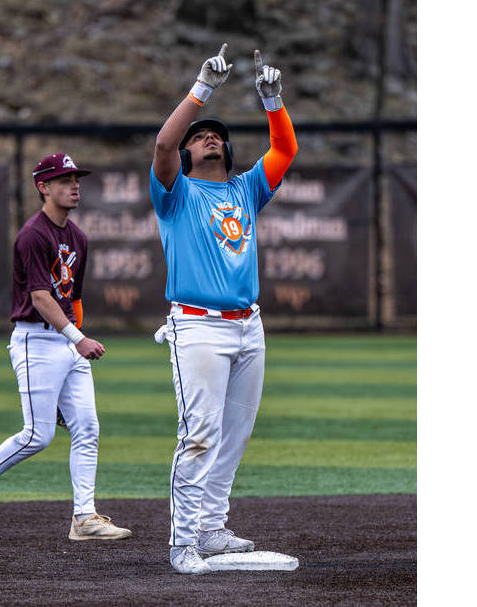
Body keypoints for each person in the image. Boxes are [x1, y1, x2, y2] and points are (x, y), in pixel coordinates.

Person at [148, 44, 298, 574]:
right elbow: (165, 142)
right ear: (189, 151)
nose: (208, 135)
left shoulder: (247, 188)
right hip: (197, 326)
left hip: (248, 325)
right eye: (199, 135)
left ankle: (211, 528)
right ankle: (182, 542)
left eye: (215, 133)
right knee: (200, 434)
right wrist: (202, 90)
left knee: (233, 434)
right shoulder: (176, 193)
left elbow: (285, 149)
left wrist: (272, 100)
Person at [0, 152, 132, 542]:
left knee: (87, 428)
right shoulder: (33, 234)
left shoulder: (77, 236)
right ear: (42, 187)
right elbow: (42, 297)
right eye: (64, 180)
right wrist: (79, 339)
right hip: (36, 340)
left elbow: (72, 298)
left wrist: (75, 337)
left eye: (76, 178)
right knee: (37, 435)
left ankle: (84, 518)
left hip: (65, 340)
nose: (74, 185)